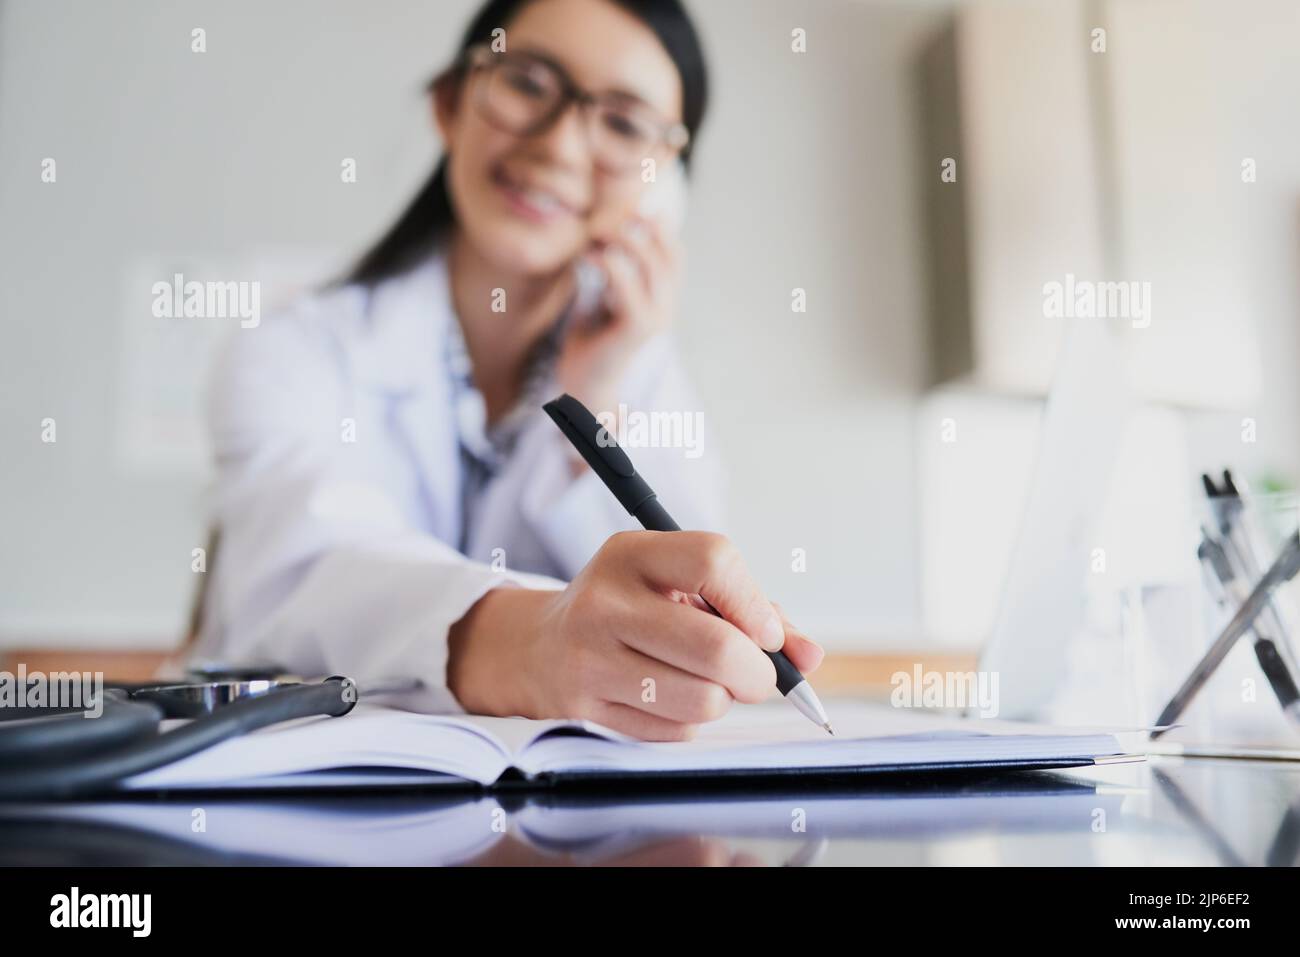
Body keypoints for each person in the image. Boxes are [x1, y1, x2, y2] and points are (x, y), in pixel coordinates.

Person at [196, 0, 823, 741]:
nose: (560, 146)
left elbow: (695, 605)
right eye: (528, 82)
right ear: (451, 103)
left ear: (663, 185)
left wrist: (594, 398)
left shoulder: (642, 373)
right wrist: (531, 641)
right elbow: (306, 574)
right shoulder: (293, 348)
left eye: (623, 124)